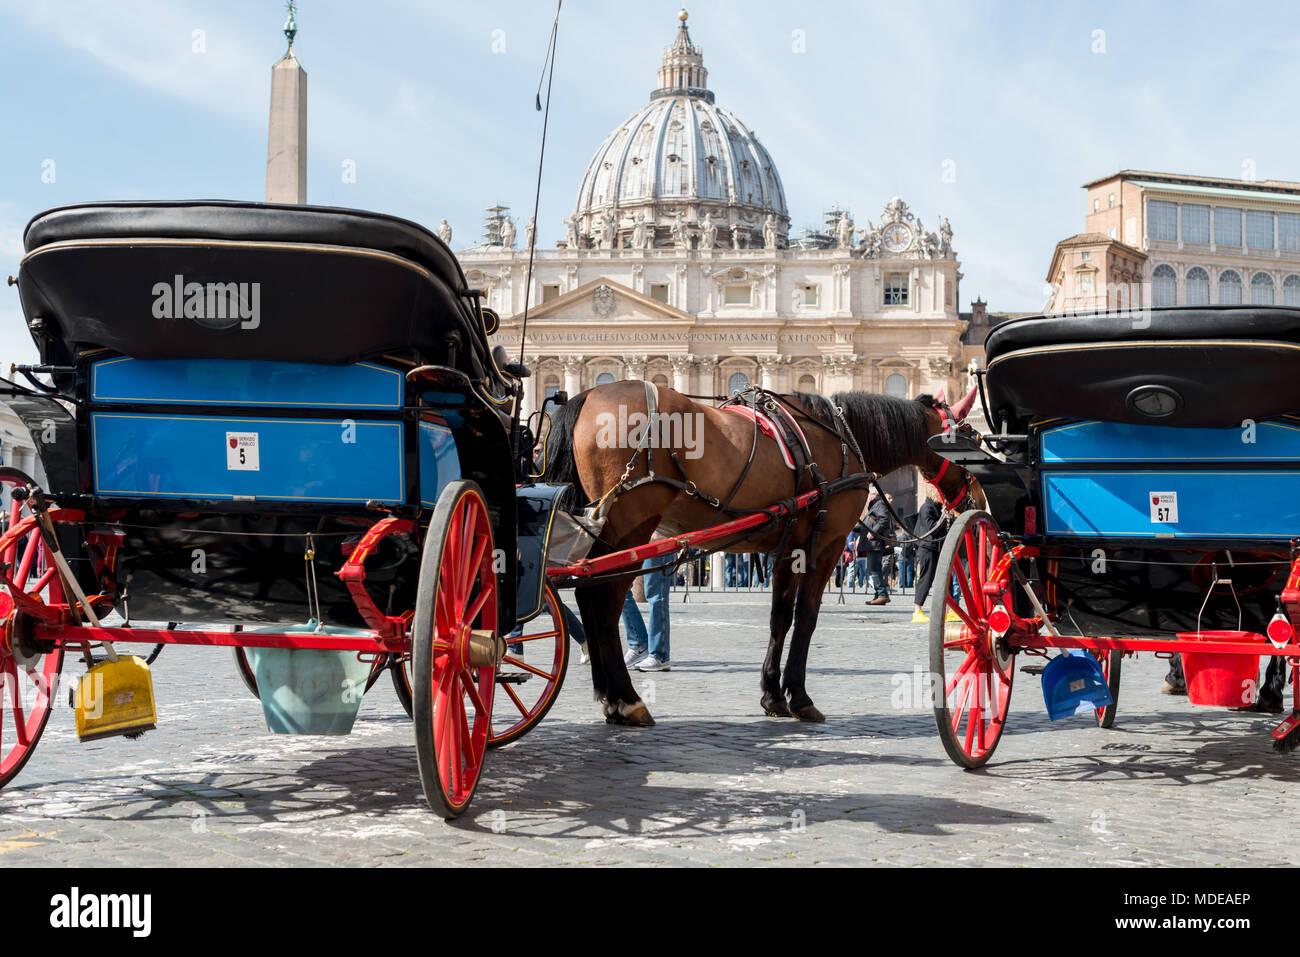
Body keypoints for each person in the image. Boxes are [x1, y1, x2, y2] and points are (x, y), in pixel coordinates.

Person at [623, 551, 673, 671]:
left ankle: (660, 655)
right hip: (634, 540)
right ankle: (639, 644)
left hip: (658, 540)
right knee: (620, 589)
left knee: (656, 596)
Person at [912, 484, 953, 623]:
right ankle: (917, 610)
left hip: (936, 547)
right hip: (927, 547)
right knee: (926, 578)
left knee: (944, 579)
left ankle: (948, 609)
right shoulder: (926, 507)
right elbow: (931, 527)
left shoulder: (934, 507)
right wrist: (943, 516)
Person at [855, 490, 895, 605]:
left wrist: (873, 532)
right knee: (875, 569)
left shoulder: (879, 504)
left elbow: (884, 520)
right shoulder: (875, 506)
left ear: (873, 495)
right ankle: (879, 595)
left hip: (874, 543)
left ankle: (882, 594)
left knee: (874, 569)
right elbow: (866, 526)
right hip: (872, 544)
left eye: (868, 495)